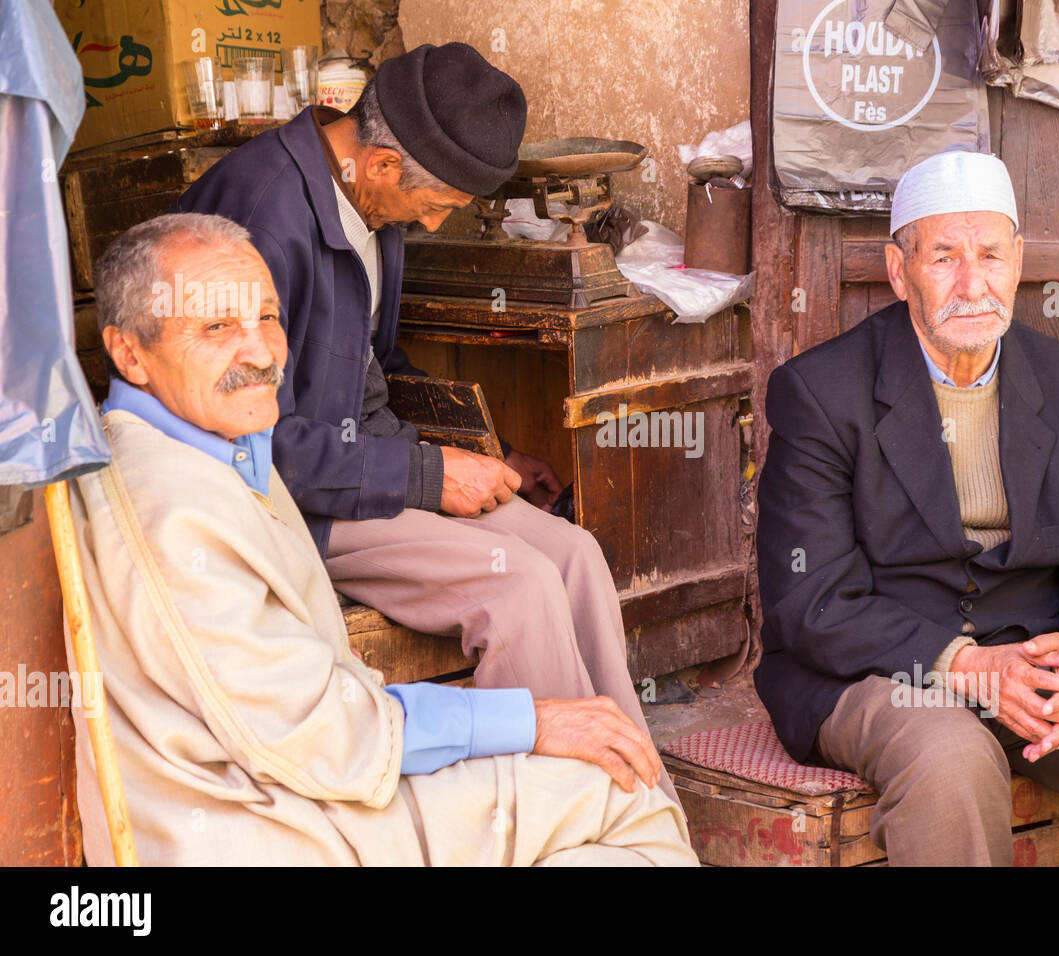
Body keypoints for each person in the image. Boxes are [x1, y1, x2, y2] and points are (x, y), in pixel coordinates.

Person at [69, 212, 695, 865]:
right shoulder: (174, 514)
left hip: (304, 788)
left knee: (620, 795)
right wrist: (536, 723)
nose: (257, 352)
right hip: (284, 827)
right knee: (625, 801)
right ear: (129, 353)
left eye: (267, 318)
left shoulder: (205, 443)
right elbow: (330, 739)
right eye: (217, 327)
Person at [172, 43, 675, 800]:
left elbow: (371, 368)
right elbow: (247, 443)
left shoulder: (373, 209)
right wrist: (431, 476)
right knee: (521, 587)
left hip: (360, 469)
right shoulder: (262, 218)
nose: (435, 222)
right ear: (379, 165)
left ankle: (640, 809)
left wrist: (486, 453)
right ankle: (550, 824)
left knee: (574, 555)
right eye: (436, 204)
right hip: (278, 504)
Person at [754, 149, 1059, 866]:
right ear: (900, 271)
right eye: (944, 257)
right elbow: (812, 600)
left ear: (1017, 261)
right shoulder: (822, 393)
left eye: (989, 255)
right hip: (885, 670)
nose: (971, 282)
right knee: (949, 752)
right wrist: (970, 667)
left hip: (1036, 663)